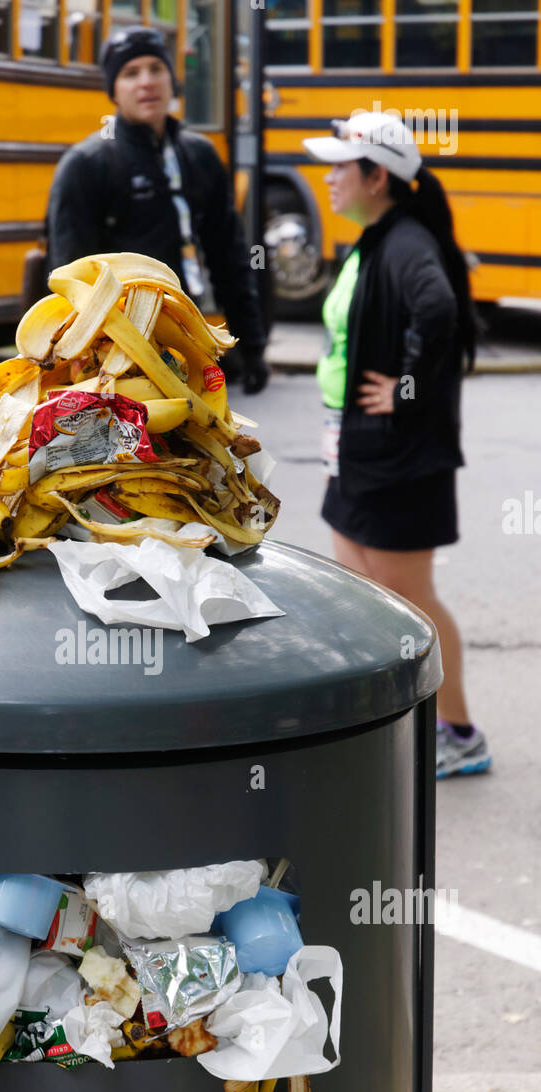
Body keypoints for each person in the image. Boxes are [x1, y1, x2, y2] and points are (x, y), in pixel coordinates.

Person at [303, 110, 490, 780]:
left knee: (408, 603)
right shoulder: (374, 239)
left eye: (338, 167)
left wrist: (405, 389)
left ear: (376, 176)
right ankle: (386, 728)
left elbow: (438, 310)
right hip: (354, 450)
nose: (326, 180)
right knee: (360, 594)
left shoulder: (407, 242)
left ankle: (459, 733)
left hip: (399, 458)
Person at [46, 25, 269, 395]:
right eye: (131, 73)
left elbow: (228, 256)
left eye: (155, 69)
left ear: (172, 78)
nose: (146, 82)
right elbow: (70, 280)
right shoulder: (86, 164)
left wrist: (253, 344)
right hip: (114, 356)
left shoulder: (199, 155)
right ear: (113, 90)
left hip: (185, 340)